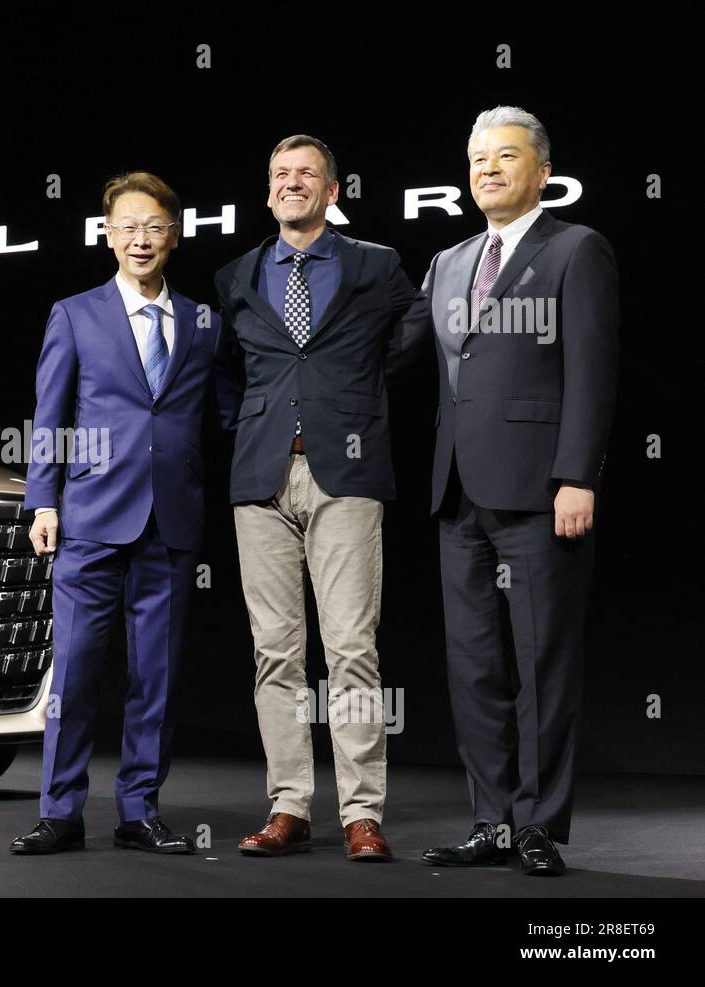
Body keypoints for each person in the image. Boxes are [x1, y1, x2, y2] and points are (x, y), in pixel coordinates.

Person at [390, 106, 619, 875]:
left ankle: (538, 825)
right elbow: (411, 357)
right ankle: (490, 820)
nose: (487, 168)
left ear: (543, 171)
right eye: (477, 158)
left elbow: (592, 372)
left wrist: (576, 475)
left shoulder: (576, 249)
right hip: (457, 493)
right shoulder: (449, 260)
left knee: (542, 662)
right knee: (474, 665)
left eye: (505, 155)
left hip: (538, 491)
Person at [10, 171, 239, 855]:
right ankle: (60, 811)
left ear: (174, 236)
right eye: (127, 226)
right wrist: (42, 499)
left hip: (170, 524)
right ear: (107, 235)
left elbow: (226, 412)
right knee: (76, 671)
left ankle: (140, 809)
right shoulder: (74, 314)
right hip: (88, 519)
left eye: (154, 226)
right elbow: (50, 417)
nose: (140, 238)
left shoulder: (203, 322)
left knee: (158, 680)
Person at [214, 135, 419, 862]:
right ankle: (289, 805)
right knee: (275, 652)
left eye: (306, 174)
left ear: (332, 190)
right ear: (268, 193)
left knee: (351, 647)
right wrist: (254, 420)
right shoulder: (237, 274)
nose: (291, 183)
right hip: (259, 478)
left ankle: (362, 811)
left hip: (348, 473)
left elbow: (413, 329)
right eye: (280, 175)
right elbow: (225, 372)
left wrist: (354, 393)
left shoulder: (375, 265)